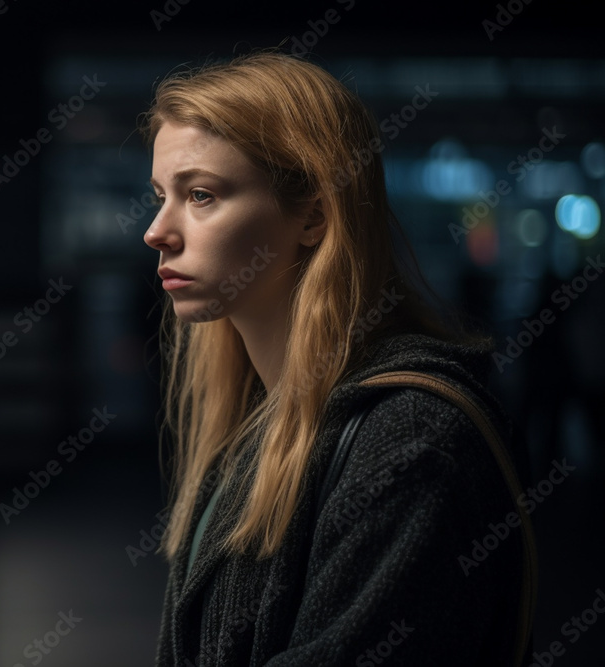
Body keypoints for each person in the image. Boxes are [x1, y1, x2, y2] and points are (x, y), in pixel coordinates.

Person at [141, 51, 532, 666]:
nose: (156, 231)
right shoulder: (258, 420)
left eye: (201, 195)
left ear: (316, 215)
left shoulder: (411, 440)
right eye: (161, 195)